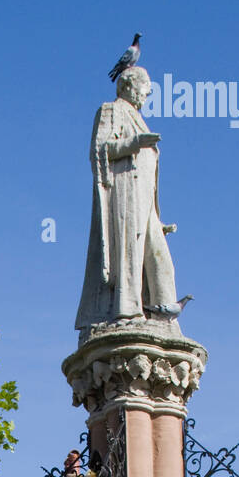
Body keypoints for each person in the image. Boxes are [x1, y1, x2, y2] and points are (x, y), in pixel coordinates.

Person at [75, 65, 178, 330]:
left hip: (145, 202)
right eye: (145, 90)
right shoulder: (112, 109)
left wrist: (157, 217)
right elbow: (100, 149)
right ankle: (127, 309)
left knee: (159, 254)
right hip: (125, 193)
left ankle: (165, 316)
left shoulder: (138, 117)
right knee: (129, 251)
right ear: (129, 86)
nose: (145, 97)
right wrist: (135, 144)